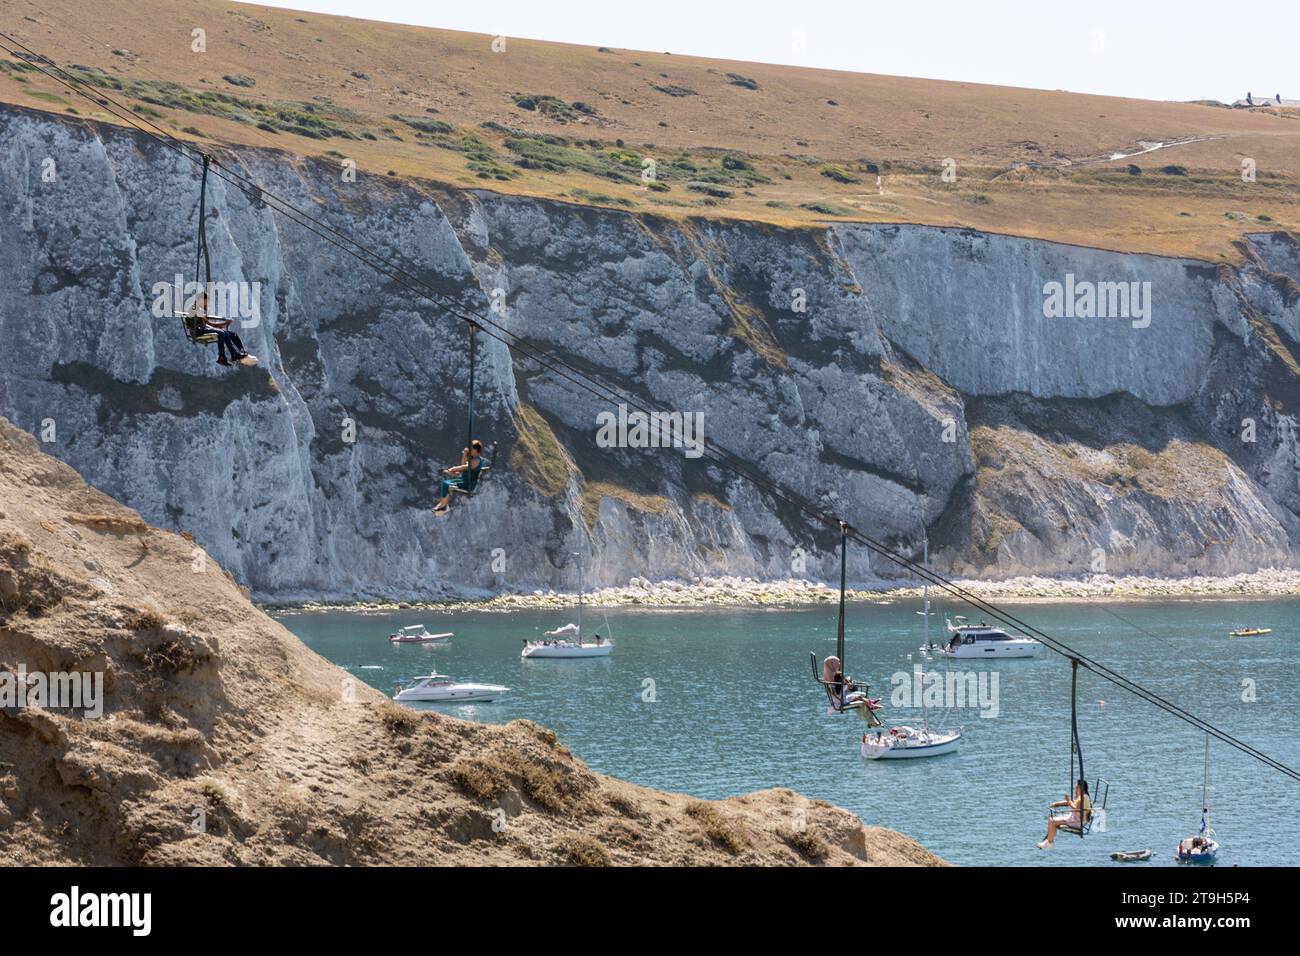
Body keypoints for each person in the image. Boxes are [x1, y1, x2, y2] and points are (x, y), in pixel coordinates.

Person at [186, 291, 253, 367]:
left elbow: (205, 324)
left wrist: (219, 327)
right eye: (206, 301)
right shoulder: (195, 309)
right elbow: (210, 324)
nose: (206, 303)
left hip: (201, 329)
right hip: (197, 332)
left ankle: (238, 352)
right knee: (222, 333)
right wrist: (224, 323)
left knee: (230, 333)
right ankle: (222, 356)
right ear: (201, 300)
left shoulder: (198, 309)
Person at [434, 440, 484, 514]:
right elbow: (464, 466)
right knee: (446, 483)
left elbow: (465, 467)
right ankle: (443, 504)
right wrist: (464, 455)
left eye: (471, 448)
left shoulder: (477, 460)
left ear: (475, 450)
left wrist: (453, 469)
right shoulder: (473, 459)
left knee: (447, 484)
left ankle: (444, 505)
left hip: (467, 483)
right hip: (463, 479)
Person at [1038, 779, 1091, 848]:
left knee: (1053, 821)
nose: (1076, 790)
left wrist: (1068, 800)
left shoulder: (1083, 797)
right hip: (1075, 819)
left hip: (1077, 821)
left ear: (1080, 788)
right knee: (1051, 819)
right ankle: (1048, 840)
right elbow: (1071, 803)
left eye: (1077, 788)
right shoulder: (1083, 796)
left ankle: (1049, 843)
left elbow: (1074, 806)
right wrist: (1056, 804)